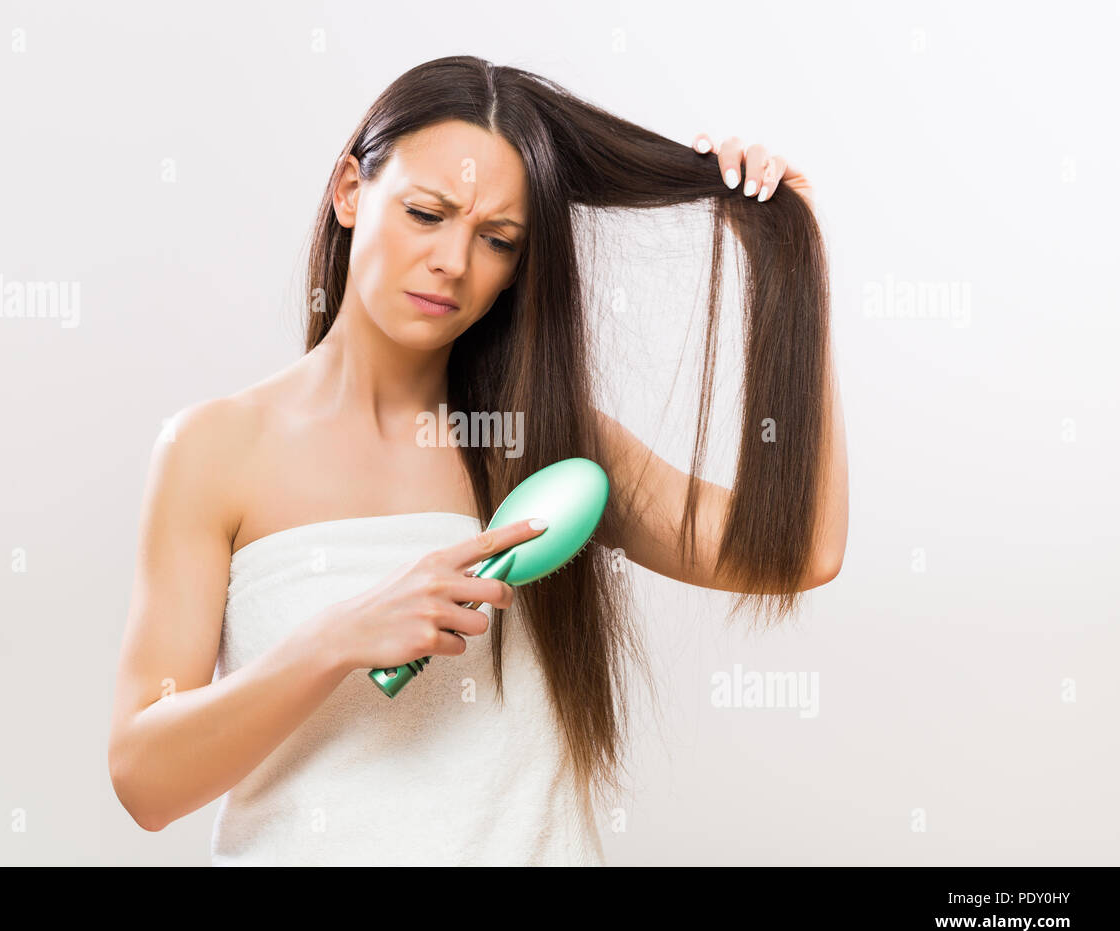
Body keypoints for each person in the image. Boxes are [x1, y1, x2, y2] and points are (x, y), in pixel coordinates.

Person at [108, 55, 848, 866]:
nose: (454, 263)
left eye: (497, 240)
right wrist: (337, 638)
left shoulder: (549, 447)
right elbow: (147, 782)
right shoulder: (214, 450)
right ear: (350, 191)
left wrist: (789, 261)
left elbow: (800, 551)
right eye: (427, 213)